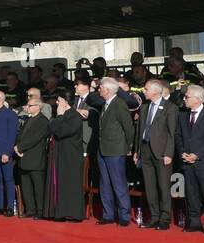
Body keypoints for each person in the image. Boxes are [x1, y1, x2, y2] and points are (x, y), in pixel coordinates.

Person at [134, 79, 178, 230]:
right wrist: (137, 151)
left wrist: (169, 153)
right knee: (150, 186)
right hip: (145, 150)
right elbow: (140, 131)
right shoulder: (144, 107)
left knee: (163, 186)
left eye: (146, 89)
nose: (143, 91)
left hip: (161, 152)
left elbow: (172, 133)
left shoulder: (170, 108)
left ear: (155, 91)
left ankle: (165, 218)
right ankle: (154, 216)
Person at [177, 85, 204, 233]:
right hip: (187, 161)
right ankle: (194, 222)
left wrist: (197, 154)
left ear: (197, 99)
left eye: (187, 96)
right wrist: (182, 152)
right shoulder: (183, 115)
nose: (184, 99)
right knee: (191, 194)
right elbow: (179, 136)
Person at [95, 76, 134, 227]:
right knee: (104, 184)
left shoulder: (119, 104)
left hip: (116, 150)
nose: (99, 90)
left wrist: (128, 147)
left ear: (108, 89)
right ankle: (108, 214)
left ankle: (124, 215)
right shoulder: (105, 104)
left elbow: (128, 128)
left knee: (118, 184)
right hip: (103, 150)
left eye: (101, 87)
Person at [44, 95, 86, 221]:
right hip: (59, 153)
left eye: (59, 100)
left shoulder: (75, 116)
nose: (57, 102)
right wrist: (59, 116)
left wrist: (60, 116)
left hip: (70, 155)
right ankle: (58, 212)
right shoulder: (61, 115)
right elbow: (51, 127)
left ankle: (72, 213)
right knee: (59, 183)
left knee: (70, 184)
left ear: (66, 102)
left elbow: (61, 132)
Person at [15, 98, 50, 218]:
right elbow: (20, 134)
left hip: (35, 158)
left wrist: (20, 147)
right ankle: (30, 210)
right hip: (24, 157)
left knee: (38, 187)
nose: (27, 107)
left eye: (30, 105)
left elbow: (35, 138)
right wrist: (17, 147)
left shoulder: (43, 121)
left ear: (38, 107)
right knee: (26, 186)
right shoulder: (29, 119)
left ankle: (40, 211)